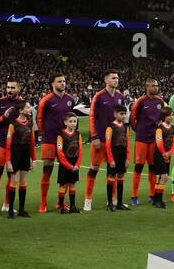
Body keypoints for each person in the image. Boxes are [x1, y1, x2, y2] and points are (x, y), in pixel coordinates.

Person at [83, 71, 124, 213]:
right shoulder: (99, 96)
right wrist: (94, 137)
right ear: (106, 80)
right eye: (113, 78)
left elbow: (121, 118)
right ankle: (88, 200)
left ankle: (112, 200)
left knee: (112, 171)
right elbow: (92, 116)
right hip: (100, 139)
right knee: (93, 169)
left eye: (117, 78)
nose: (116, 80)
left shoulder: (120, 96)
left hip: (114, 142)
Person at [0, 80, 24, 216]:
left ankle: (7, 203)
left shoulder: (22, 104)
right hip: (0, 143)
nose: (9, 90)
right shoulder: (0, 102)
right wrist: (3, 117)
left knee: (12, 175)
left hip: (15, 145)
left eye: (12, 88)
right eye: (8, 87)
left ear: (18, 89)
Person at [130, 78, 165, 205]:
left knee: (152, 168)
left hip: (153, 140)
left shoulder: (160, 101)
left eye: (157, 86)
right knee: (138, 167)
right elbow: (132, 118)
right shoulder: (140, 101)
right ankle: (134, 196)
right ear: (147, 87)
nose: (156, 88)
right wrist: (139, 130)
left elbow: (162, 118)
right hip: (141, 139)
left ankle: (152, 194)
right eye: (154, 86)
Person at [6, 105, 36, 218]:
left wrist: (34, 159)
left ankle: (22, 210)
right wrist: (8, 161)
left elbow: (32, 143)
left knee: (23, 182)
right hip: (15, 154)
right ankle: (10, 210)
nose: (30, 109)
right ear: (21, 110)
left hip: (25, 154)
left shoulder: (30, 124)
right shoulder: (13, 125)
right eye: (27, 107)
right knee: (13, 182)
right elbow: (8, 145)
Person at [103, 103, 131, 212]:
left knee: (120, 177)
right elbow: (107, 145)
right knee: (111, 178)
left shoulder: (126, 127)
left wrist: (128, 158)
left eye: (125, 114)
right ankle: (110, 203)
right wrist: (110, 159)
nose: (123, 116)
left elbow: (127, 143)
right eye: (121, 114)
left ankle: (119, 202)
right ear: (115, 114)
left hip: (122, 154)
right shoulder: (110, 128)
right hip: (114, 154)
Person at [55, 115, 82, 214]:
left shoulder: (78, 134)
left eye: (75, 121)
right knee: (63, 185)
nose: (73, 123)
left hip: (74, 163)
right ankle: (61, 206)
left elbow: (80, 151)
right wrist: (69, 166)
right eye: (70, 121)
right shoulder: (60, 135)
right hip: (65, 164)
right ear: (65, 122)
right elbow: (60, 152)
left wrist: (77, 165)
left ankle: (73, 206)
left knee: (72, 184)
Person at [153, 107, 174, 208]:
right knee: (164, 176)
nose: (172, 117)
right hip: (159, 155)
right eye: (170, 115)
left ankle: (156, 199)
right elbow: (159, 142)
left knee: (160, 177)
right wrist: (164, 153)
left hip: (167, 155)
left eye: (172, 115)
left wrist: (169, 153)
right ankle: (159, 200)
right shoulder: (159, 128)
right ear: (164, 116)